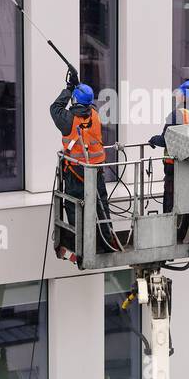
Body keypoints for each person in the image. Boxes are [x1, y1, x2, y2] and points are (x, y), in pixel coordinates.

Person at [51, 66, 110, 263]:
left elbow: (55, 107)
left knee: (74, 205)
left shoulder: (67, 120)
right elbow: (84, 102)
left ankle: (81, 244)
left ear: (75, 100)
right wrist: (77, 87)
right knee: (101, 205)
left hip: (75, 172)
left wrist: (69, 87)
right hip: (96, 170)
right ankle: (106, 240)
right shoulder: (94, 114)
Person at [148, 80, 189, 239]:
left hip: (176, 168)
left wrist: (154, 140)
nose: (178, 95)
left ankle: (171, 235)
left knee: (171, 202)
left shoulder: (177, 115)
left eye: (180, 93)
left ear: (185, 96)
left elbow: (166, 139)